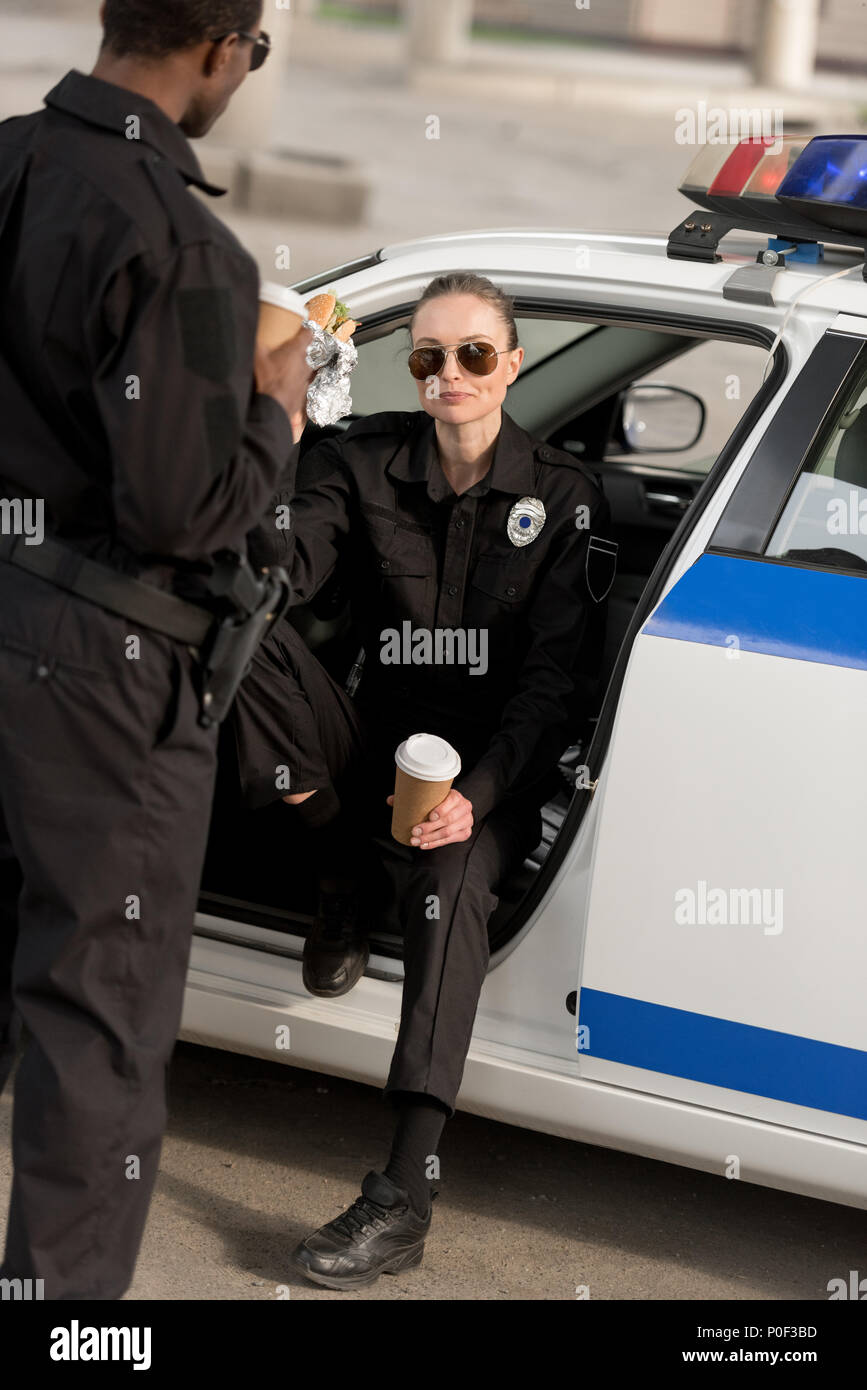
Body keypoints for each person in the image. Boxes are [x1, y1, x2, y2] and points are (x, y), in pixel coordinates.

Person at [0, 0, 312, 1300]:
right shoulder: (188, 246)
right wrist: (274, 413)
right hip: (98, 665)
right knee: (98, 1022)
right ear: (220, 50)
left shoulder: (9, 157)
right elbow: (182, 510)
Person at [233, 272, 617, 1289]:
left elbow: (548, 691)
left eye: (474, 354)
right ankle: (340, 874)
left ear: (513, 363)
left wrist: (474, 802)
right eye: (428, 357)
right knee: (244, 634)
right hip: (368, 742)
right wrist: (279, 422)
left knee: (450, 891)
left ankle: (402, 1195)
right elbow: (281, 568)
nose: (450, 374)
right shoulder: (361, 462)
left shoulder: (564, 497)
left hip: (485, 771)